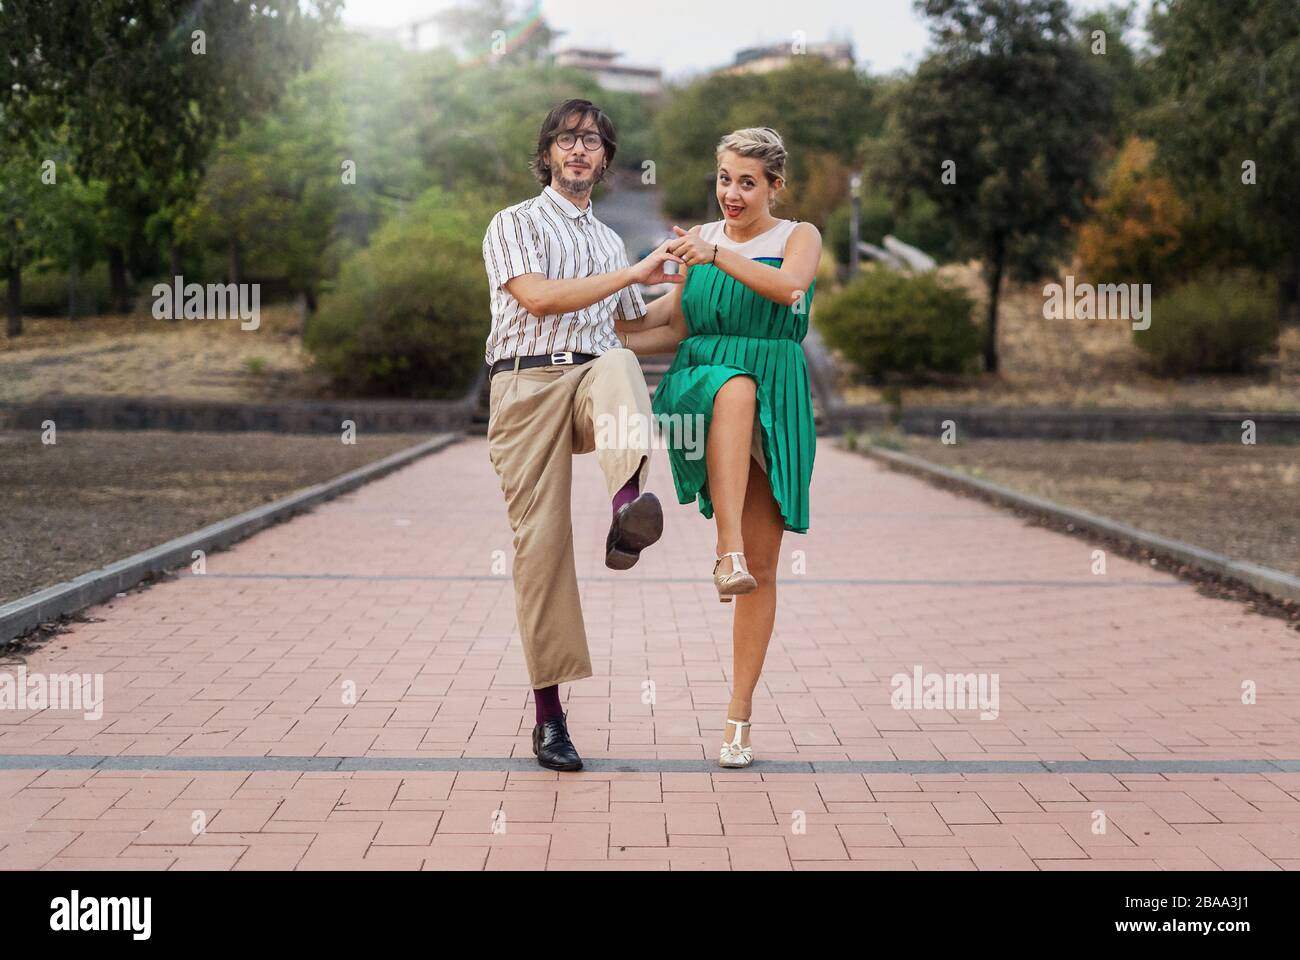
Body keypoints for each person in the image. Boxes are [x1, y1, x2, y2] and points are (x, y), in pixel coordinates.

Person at [482, 98, 684, 772]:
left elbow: (635, 326)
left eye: (591, 141)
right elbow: (537, 298)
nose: (578, 150)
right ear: (547, 153)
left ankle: (627, 507)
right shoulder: (513, 223)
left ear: (604, 160)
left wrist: (697, 280)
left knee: (621, 361)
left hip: (591, 378)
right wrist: (634, 273)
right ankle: (550, 719)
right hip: (526, 387)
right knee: (539, 549)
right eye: (567, 139)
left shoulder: (608, 242)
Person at [616, 127, 820, 768]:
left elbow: (789, 290)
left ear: (774, 187)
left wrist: (714, 254)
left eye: (747, 182)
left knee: (764, 569)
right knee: (732, 390)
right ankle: (723, 549)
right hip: (703, 383)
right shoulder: (699, 242)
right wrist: (611, 318)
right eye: (724, 178)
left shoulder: (798, 237)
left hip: (778, 397)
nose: (731, 193)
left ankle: (738, 720)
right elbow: (671, 324)